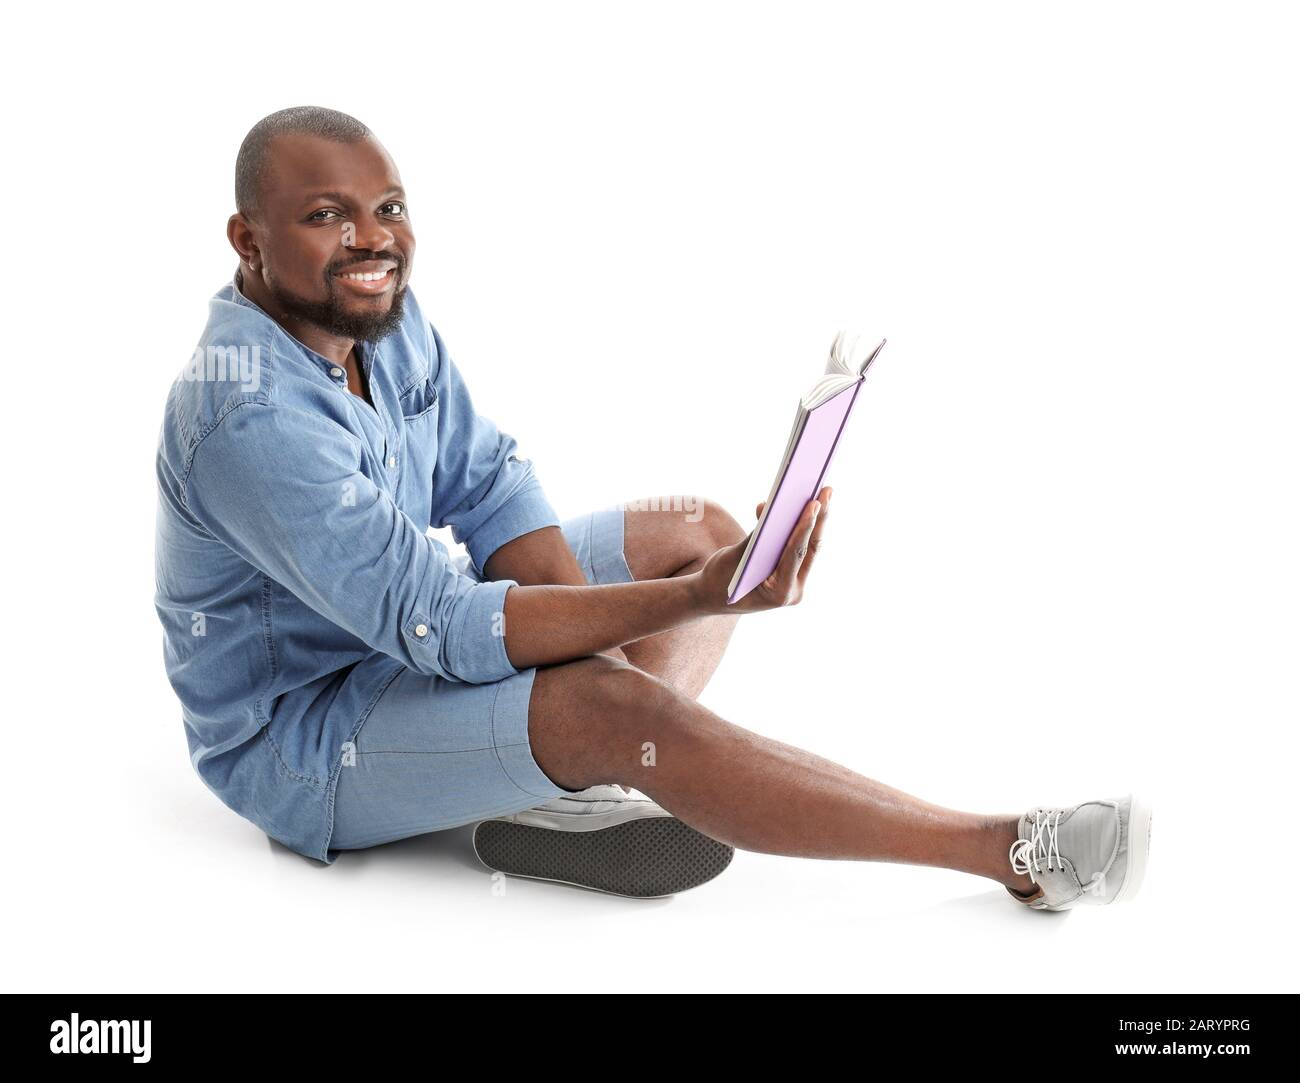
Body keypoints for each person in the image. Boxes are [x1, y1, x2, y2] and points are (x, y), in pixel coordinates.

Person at [153, 106, 1151, 912]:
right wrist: (659, 640)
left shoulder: (382, 317)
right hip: (309, 739)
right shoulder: (249, 416)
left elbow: (488, 484)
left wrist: (629, 640)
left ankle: (569, 775)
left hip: (401, 634)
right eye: (328, 215)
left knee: (696, 535)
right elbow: (447, 627)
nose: (373, 239)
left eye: (389, 206)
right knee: (623, 691)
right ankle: (1009, 851)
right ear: (249, 240)